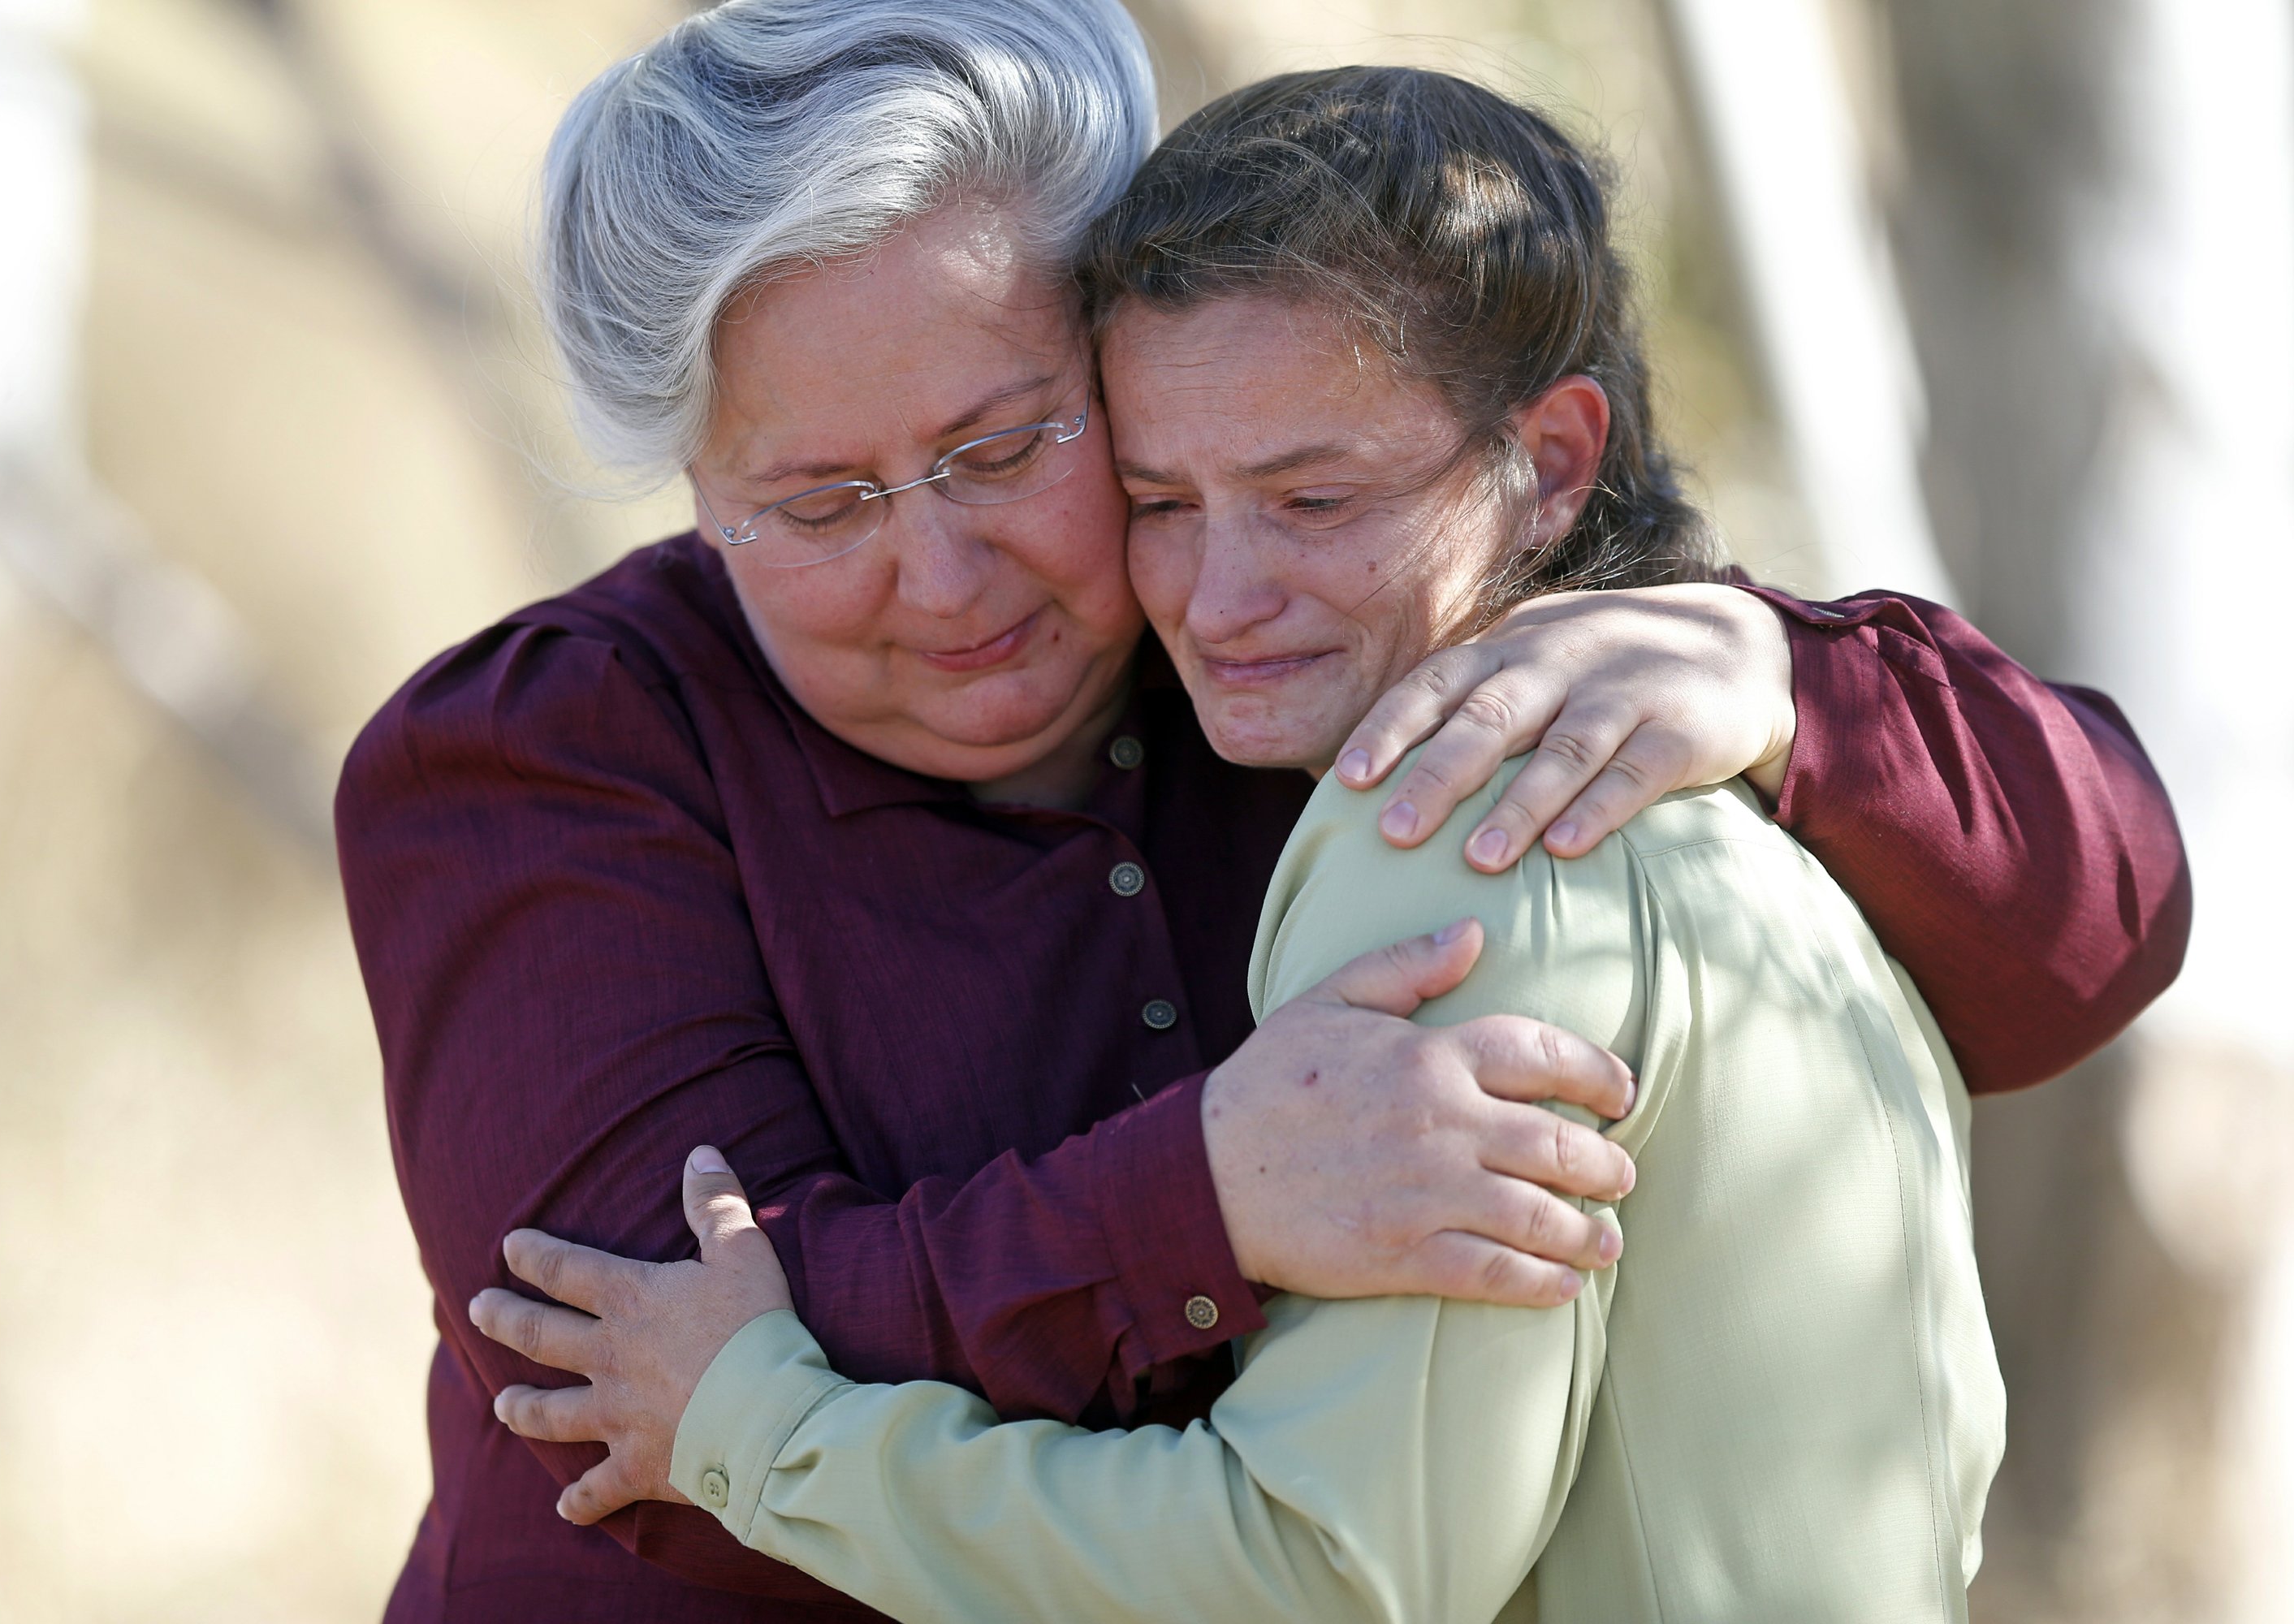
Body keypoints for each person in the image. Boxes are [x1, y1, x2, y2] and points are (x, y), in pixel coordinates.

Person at [334, 4, 2188, 1620]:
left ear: (1121, 355)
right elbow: (640, 1401)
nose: (945, 572)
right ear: (693, 478)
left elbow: (2096, 942)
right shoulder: (536, 764)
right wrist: (1206, 1197)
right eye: (819, 505)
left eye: (1005, 446)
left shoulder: (1315, 631)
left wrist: (1787, 677)